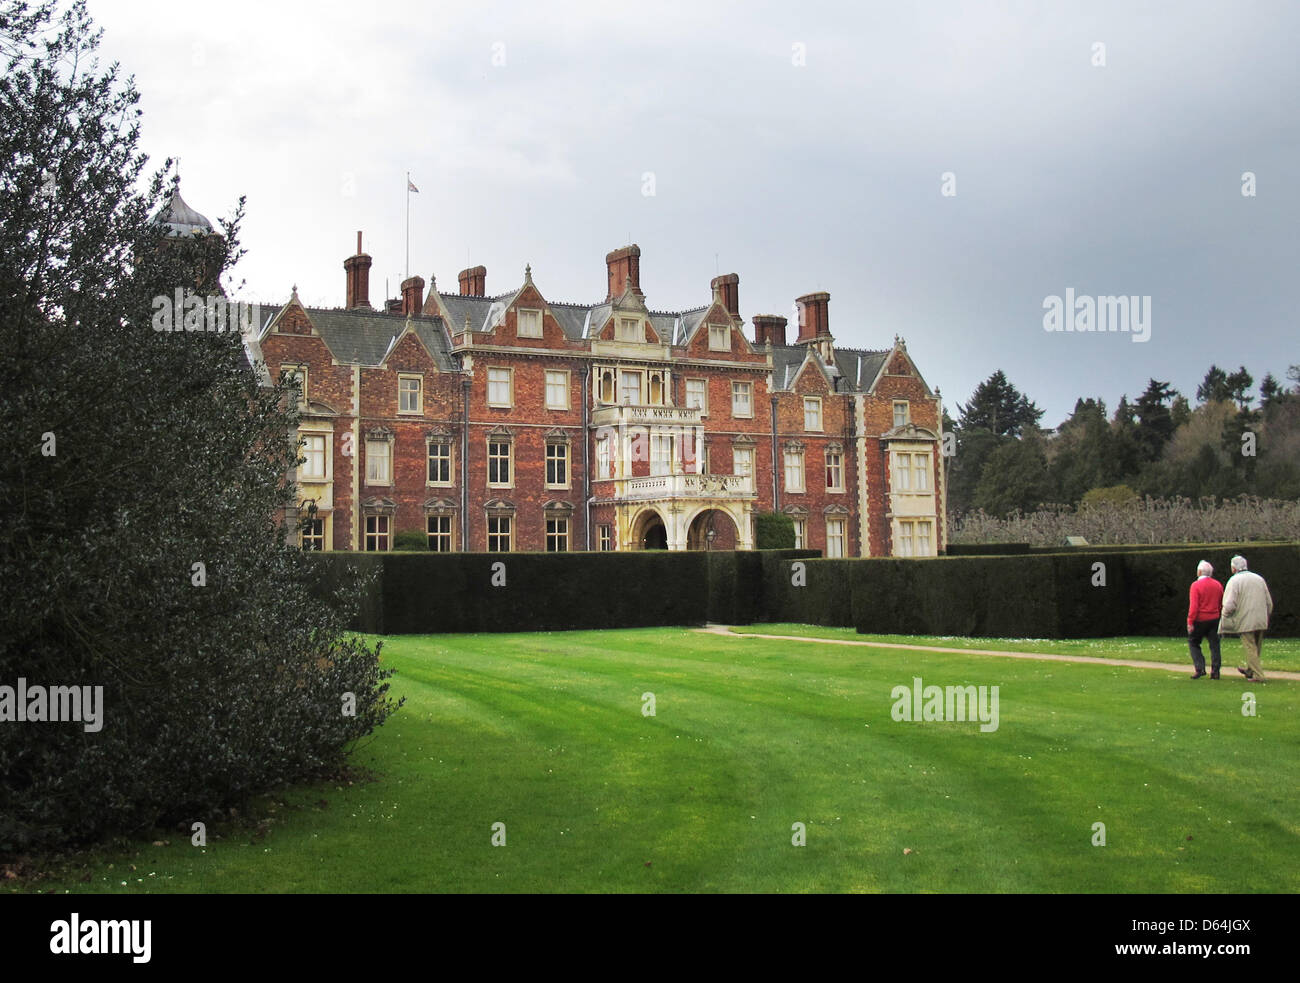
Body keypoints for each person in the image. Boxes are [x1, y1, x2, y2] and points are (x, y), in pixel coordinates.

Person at [1218, 555, 1274, 683]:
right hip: (1261, 618)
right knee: (1256, 647)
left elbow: (1230, 603)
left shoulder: (1234, 581)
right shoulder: (1259, 579)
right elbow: (1269, 602)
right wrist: (1266, 615)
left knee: (1250, 647)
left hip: (1245, 619)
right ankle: (1250, 670)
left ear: (1234, 568)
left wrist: (1225, 615)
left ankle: (1259, 675)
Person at [1186, 560, 1223, 679]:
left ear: (1199, 572)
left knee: (1193, 642)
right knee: (1215, 645)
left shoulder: (1195, 585)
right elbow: (1221, 603)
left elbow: (1194, 606)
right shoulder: (1217, 584)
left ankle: (1200, 668)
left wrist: (1190, 621)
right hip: (1214, 618)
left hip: (1200, 619)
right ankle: (1215, 671)